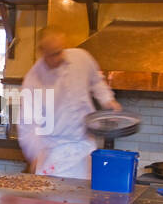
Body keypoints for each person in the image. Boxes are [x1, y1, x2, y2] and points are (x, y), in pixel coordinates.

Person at [17, 25, 120, 179]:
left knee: (84, 199)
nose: (59, 57)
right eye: (53, 54)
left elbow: (96, 81)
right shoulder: (33, 81)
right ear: (42, 51)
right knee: (52, 201)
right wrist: (36, 154)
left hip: (85, 147)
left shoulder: (82, 58)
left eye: (61, 51)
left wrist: (107, 100)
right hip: (53, 153)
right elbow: (28, 126)